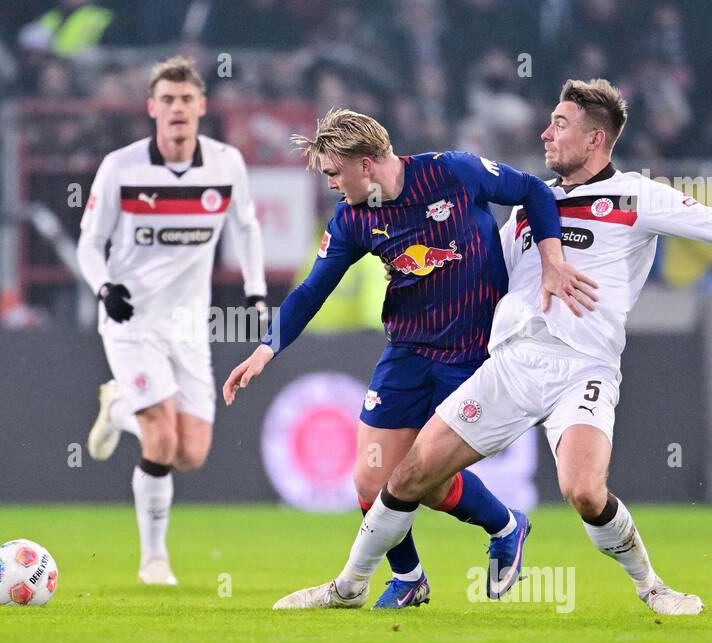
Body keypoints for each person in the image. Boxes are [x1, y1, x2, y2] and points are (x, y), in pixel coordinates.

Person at [275, 79, 712, 614]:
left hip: (584, 368)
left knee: (582, 490)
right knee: (405, 478)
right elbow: (483, 272)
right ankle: (349, 586)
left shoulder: (636, 197)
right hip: (509, 366)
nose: (545, 133)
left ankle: (652, 587)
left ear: (595, 137)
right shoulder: (532, 212)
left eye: (559, 123)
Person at [223, 107, 598, 607]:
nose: (330, 184)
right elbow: (313, 289)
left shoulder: (453, 172)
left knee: (423, 477)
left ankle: (504, 527)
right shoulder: (353, 218)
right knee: (370, 477)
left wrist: (553, 260)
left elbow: (532, 190)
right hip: (407, 352)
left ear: (366, 163)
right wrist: (267, 348)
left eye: (334, 172)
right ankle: (411, 577)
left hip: (470, 355)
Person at [77, 57, 267, 585]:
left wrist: (255, 294)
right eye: (168, 99)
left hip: (188, 328)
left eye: (187, 99)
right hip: (131, 321)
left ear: (202, 107)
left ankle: (117, 409)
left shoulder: (227, 164)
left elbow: (247, 229)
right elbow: (90, 244)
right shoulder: (121, 167)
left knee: (191, 454)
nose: (178, 108)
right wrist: (104, 287)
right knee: (159, 439)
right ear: (151, 108)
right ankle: (153, 560)